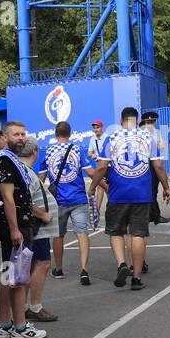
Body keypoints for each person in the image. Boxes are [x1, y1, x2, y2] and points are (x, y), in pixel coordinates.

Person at [92, 108, 170, 291]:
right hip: (142, 194)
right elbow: (159, 166)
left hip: (118, 193)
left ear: (121, 122)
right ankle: (136, 278)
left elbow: (101, 167)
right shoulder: (148, 138)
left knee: (116, 232)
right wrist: (166, 187)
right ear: (136, 121)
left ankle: (122, 264)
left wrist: (92, 186)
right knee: (138, 234)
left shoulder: (111, 138)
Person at [0, 121, 49, 338]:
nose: (21, 138)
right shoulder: (4, 160)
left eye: (23, 134)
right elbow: (7, 197)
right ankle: (21, 328)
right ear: (5, 138)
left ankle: (6, 325)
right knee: (18, 277)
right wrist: (15, 229)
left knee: (9, 275)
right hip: (17, 225)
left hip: (17, 223)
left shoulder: (8, 159)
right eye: (16, 134)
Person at [46, 121, 93, 285]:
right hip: (78, 198)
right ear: (70, 133)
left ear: (55, 133)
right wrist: (104, 185)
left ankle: (59, 269)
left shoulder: (48, 151)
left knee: (58, 235)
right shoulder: (77, 149)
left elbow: (40, 179)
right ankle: (84, 270)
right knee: (82, 233)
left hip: (58, 200)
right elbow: (90, 172)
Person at [17, 139, 59, 324]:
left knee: (29, 265)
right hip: (36, 227)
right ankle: (35, 306)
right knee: (41, 263)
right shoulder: (25, 170)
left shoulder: (24, 169)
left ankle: (23, 307)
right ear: (35, 151)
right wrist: (43, 215)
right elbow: (23, 199)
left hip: (34, 226)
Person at [140, 111, 170, 225]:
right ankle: (155, 216)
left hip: (153, 162)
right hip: (147, 163)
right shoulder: (141, 133)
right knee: (151, 190)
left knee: (153, 190)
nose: (150, 124)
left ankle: (150, 215)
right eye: (148, 122)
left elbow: (160, 148)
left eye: (152, 122)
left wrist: (161, 146)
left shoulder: (157, 132)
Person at [86, 119, 108, 229]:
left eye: (97, 127)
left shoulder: (107, 137)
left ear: (101, 128)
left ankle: (111, 208)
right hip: (99, 166)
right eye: (94, 128)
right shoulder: (92, 139)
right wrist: (93, 155)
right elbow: (89, 153)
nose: (96, 129)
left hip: (108, 166)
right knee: (101, 186)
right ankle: (97, 211)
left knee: (107, 188)